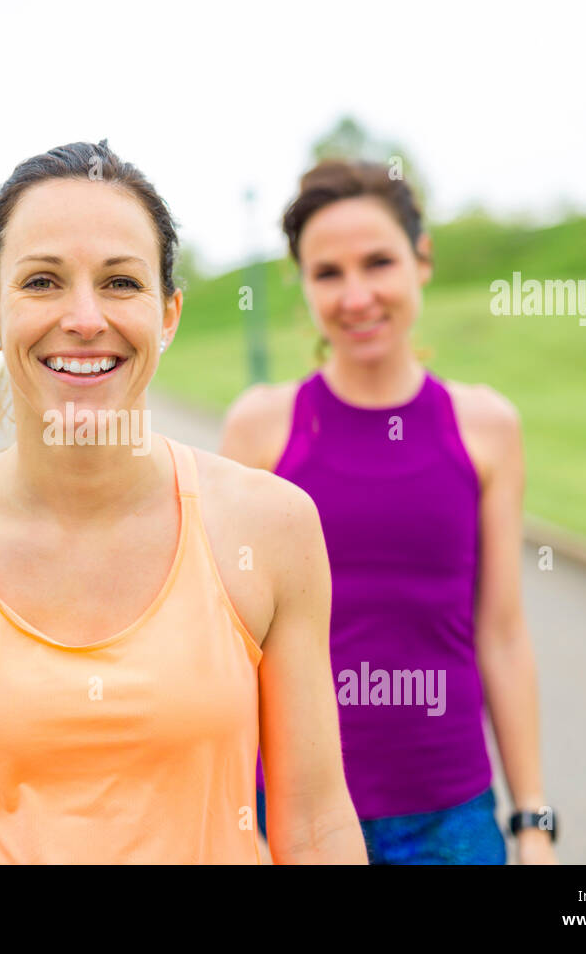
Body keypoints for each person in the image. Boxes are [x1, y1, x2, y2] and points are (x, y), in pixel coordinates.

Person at [0, 141, 366, 864]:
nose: (85, 318)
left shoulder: (271, 527)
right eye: (42, 282)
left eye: (121, 282)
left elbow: (315, 827)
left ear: (169, 313)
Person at [221, 160, 558, 864]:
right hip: (292, 814)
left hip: (450, 819)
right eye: (327, 273)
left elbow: (501, 632)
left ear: (422, 260)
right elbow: (230, 648)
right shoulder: (260, 429)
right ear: (303, 285)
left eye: (378, 262)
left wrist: (534, 822)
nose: (357, 295)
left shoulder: (486, 426)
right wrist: (235, 821)